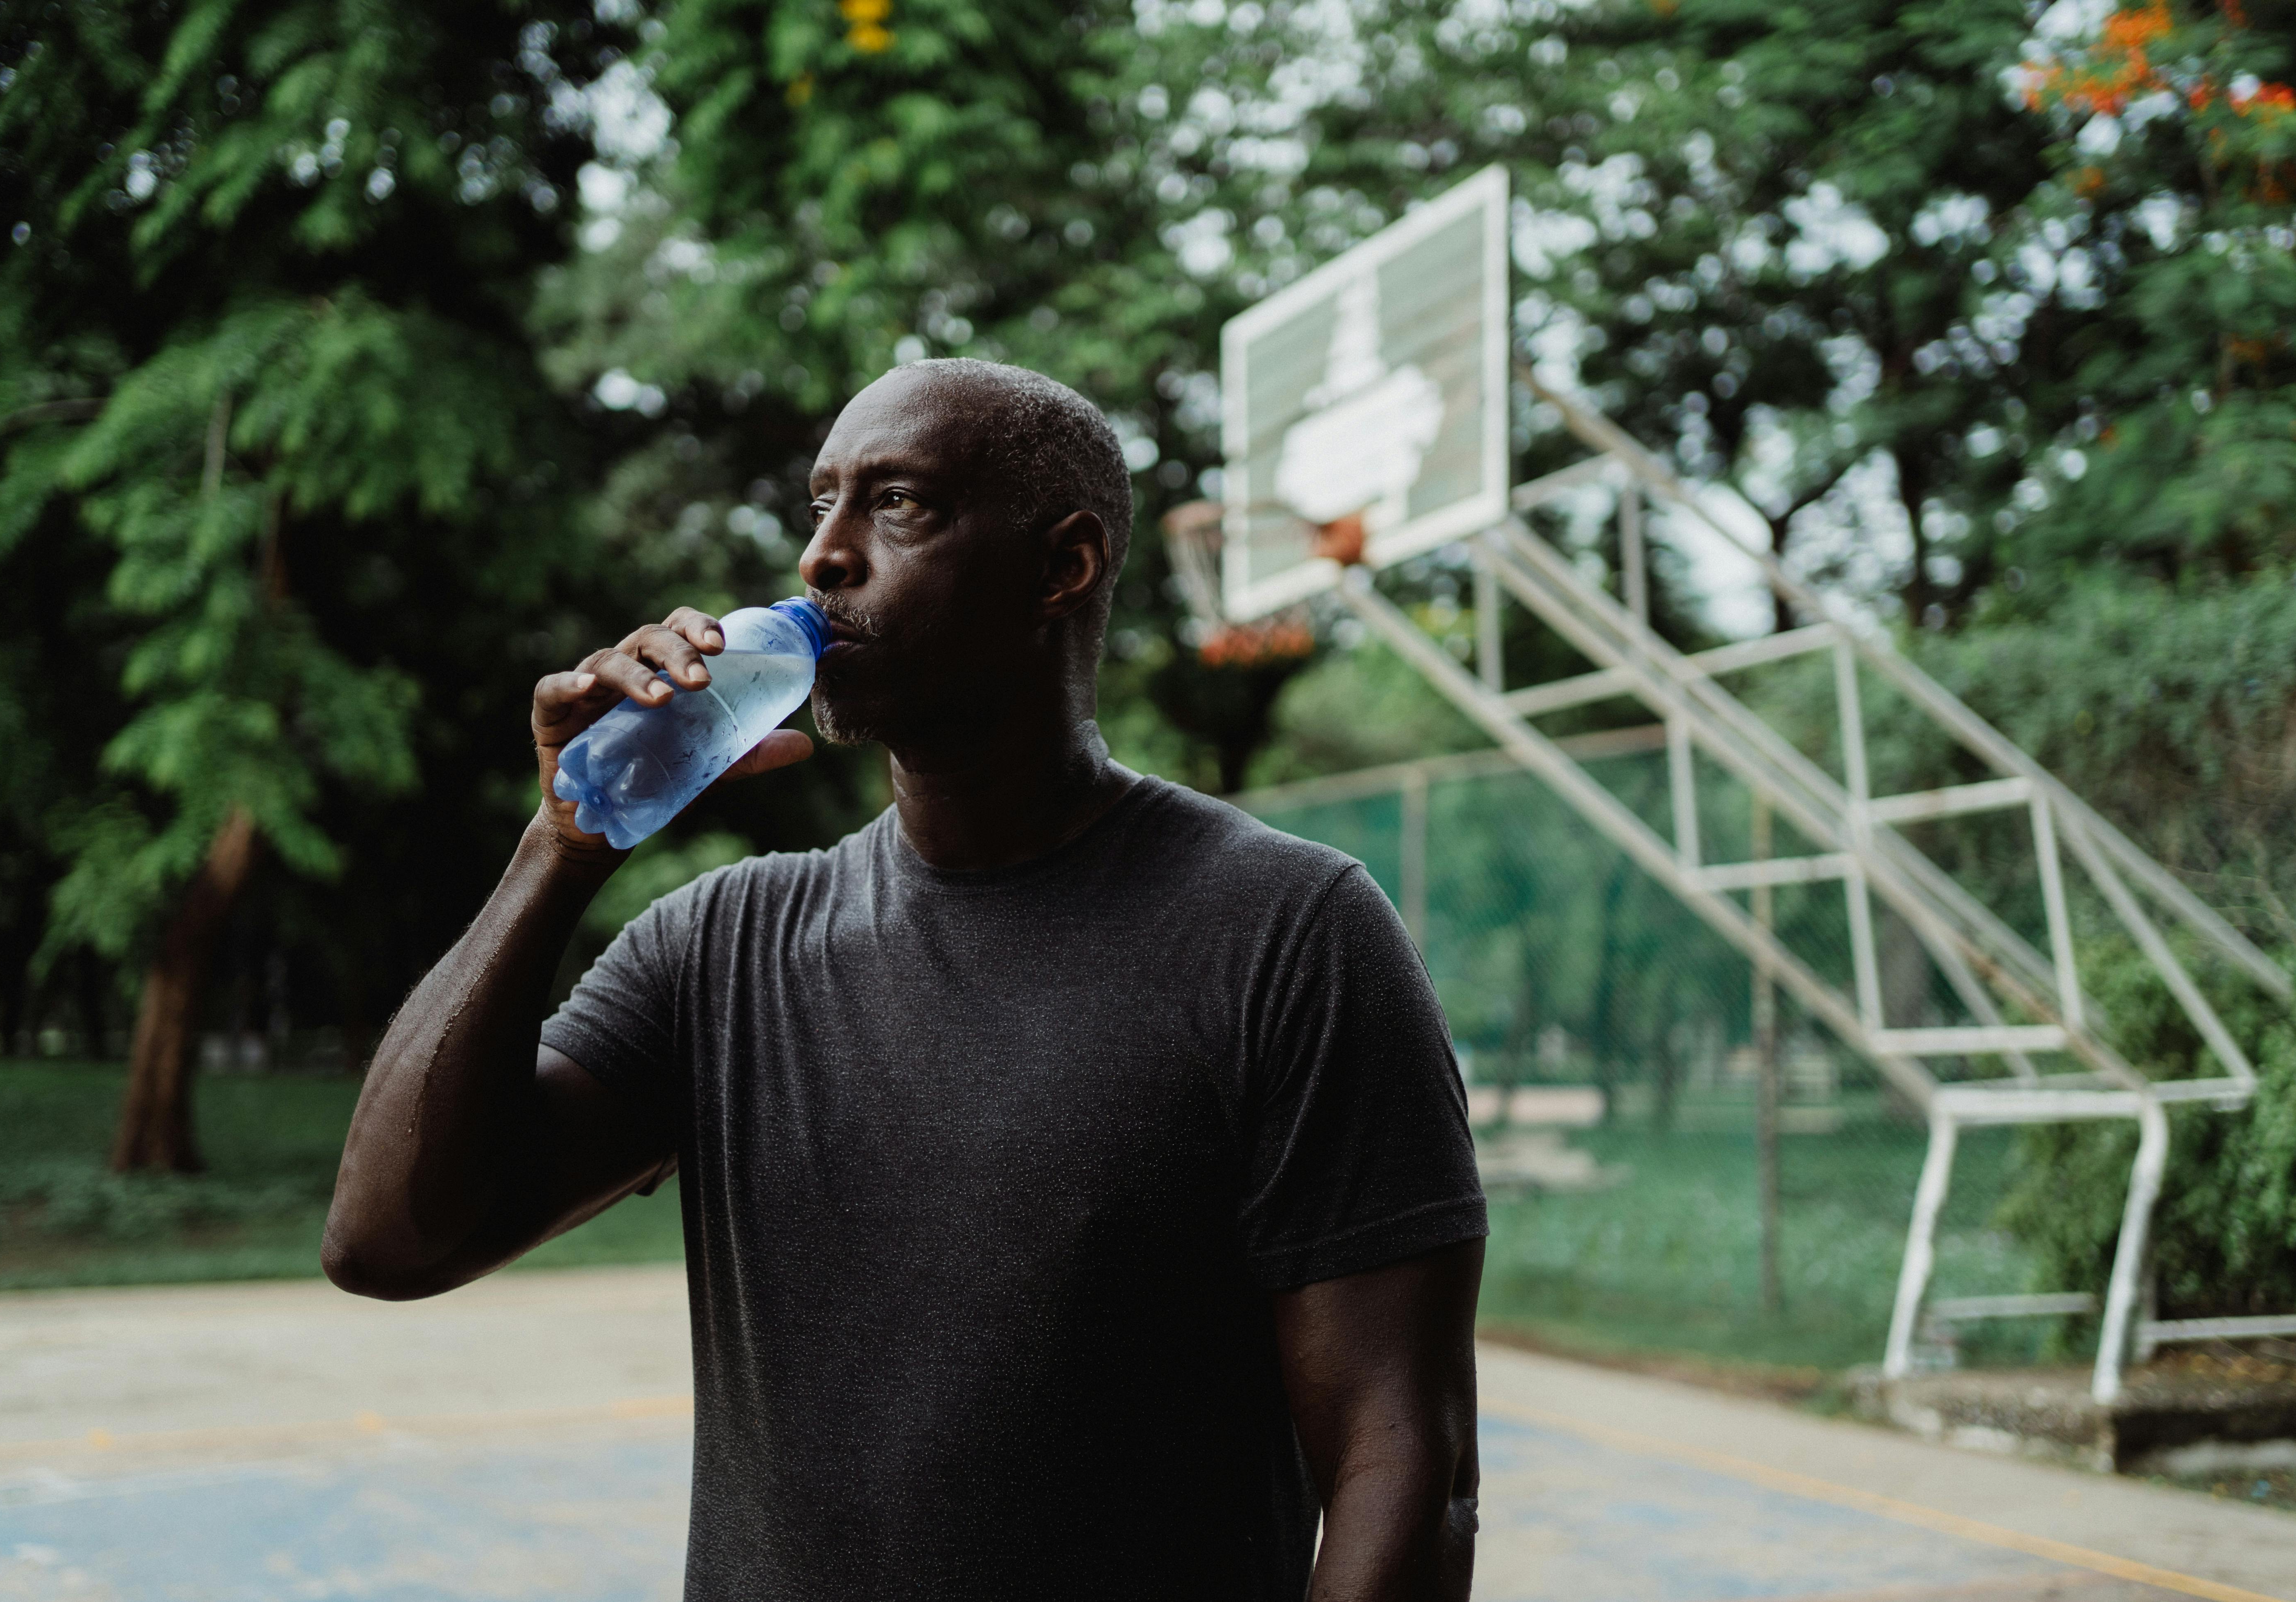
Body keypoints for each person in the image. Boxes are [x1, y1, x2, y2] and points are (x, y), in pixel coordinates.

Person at [324, 359, 1487, 1601]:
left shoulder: (1289, 934)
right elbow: (390, 1240)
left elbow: (1400, 1464)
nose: (824, 557)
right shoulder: (722, 948)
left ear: (1064, 567)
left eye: (898, 506)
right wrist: (557, 846)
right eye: (820, 505)